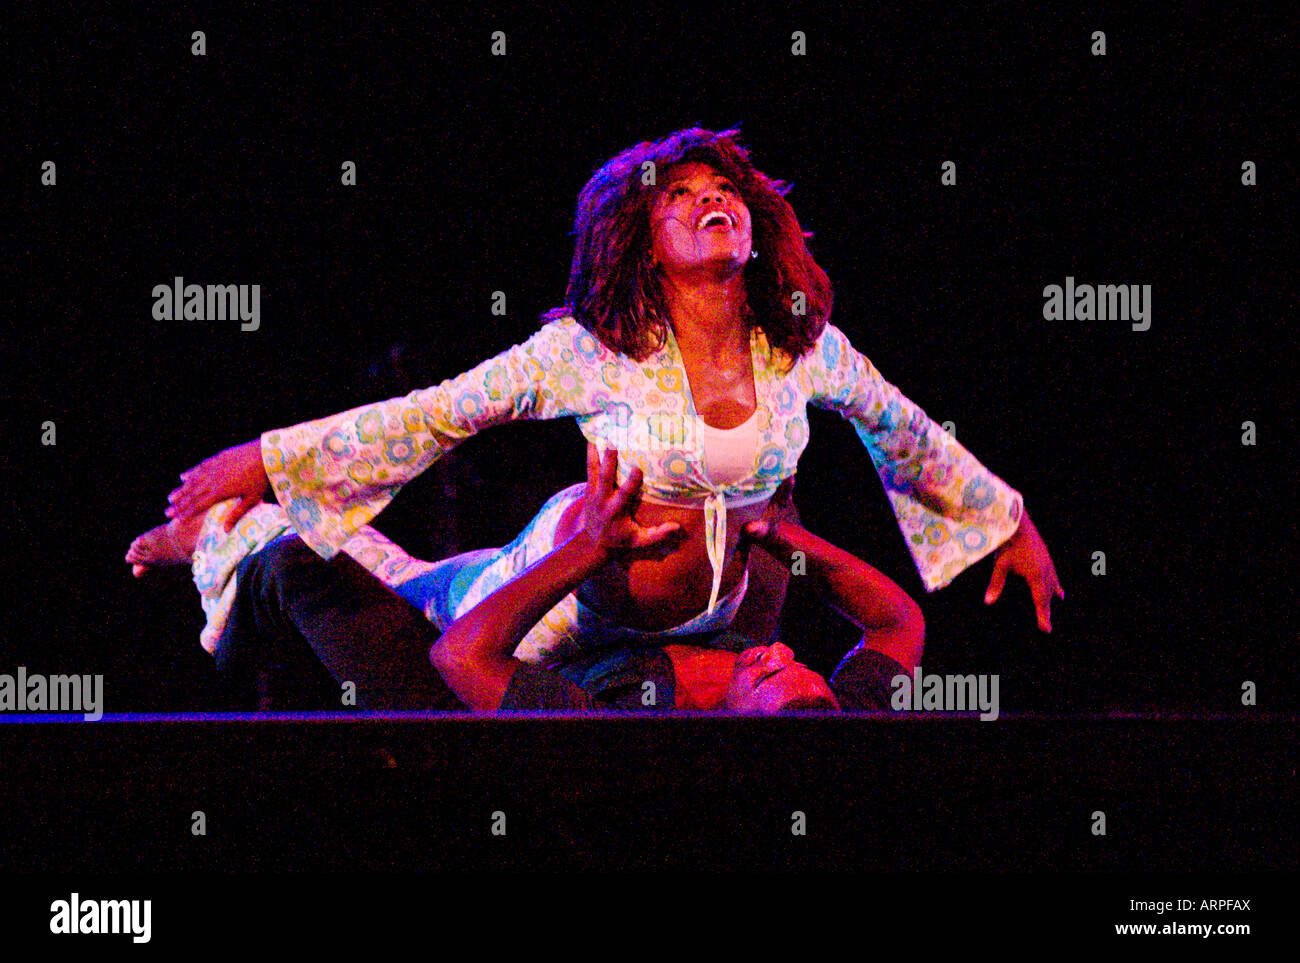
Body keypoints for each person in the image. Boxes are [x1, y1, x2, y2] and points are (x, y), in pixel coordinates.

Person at [159, 126, 1062, 679]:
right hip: (551, 602)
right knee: (407, 591)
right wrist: (269, 456)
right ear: (641, 239)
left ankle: (257, 519)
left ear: (757, 226)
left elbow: (901, 426)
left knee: (409, 579)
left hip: (703, 626)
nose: (713, 200)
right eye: (683, 197)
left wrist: (1003, 520)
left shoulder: (800, 349)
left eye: (725, 192)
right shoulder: (590, 352)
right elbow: (431, 414)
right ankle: (238, 528)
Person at [434, 443, 926, 714]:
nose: (779, 653)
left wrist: (592, 545)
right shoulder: (837, 718)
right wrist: (772, 530)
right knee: (767, 516)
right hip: (697, 612)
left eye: (769, 674)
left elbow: (460, 656)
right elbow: (899, 621)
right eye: (797, 665)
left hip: (555, 604)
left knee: (400, 578)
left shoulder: (632, 729)